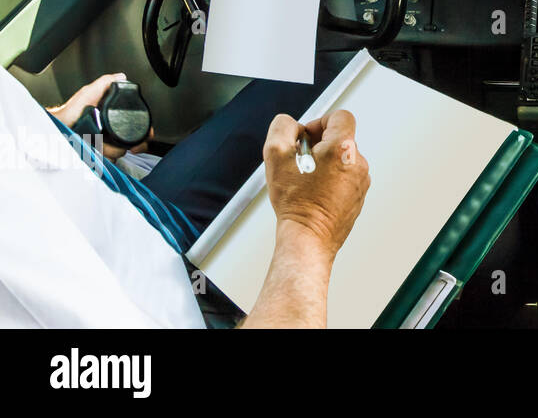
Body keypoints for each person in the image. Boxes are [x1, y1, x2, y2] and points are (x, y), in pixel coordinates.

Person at [0, 66, 369, 328]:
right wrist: (311, 226)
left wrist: (69, 136)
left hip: (140, 220)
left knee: (318, 76)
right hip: (189, 304)